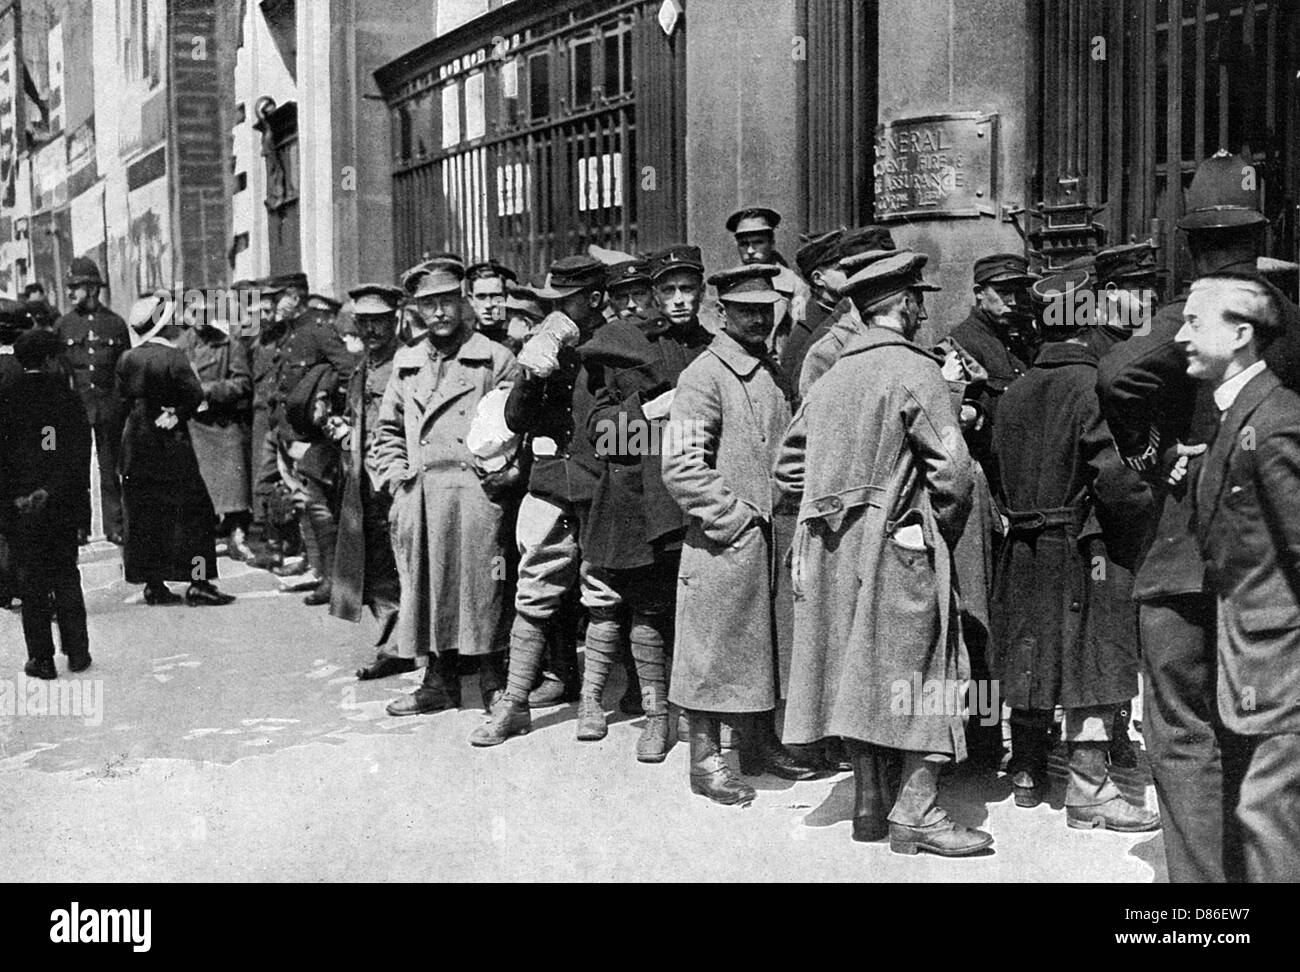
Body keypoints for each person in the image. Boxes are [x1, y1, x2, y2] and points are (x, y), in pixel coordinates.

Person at [1097, 150, 1300, 883]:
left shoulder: (1186, 320)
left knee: (1182, 734)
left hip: (1182, 557)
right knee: (1252, 726)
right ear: (1262, 233)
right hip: (1264, 572)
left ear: (1190, 244)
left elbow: (1117, 375)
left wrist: (1153, 454)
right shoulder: (1287, 323)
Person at [776, 250, 993, 856]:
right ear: (902, 305)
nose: (923, 309)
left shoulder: (833, 375)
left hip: (837, 553)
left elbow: (787, 466)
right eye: (918, 298)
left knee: (862, 673)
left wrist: (835, 504)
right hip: (900, 546)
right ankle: (917, 813)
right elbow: (953, 472)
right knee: (931, 671)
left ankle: (871, 811)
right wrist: (931, 527)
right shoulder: (914, 370)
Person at [989, 269, 1160, 832]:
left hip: (1024, 542)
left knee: (1030, 649)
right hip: (1084, 541)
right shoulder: (1093, 388)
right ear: (1086, 324)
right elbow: (1113, 480)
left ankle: (1029, 775)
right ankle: (1089, 789)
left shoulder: (1013, 392)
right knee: (1093, 653)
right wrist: (1149, 505)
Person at [662, 263, 826, 806]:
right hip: (725, 541)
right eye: (745, 310)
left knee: (765, 649)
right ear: (720, 313)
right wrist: (736, 521)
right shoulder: (704, 375)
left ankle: (759, 746)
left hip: (773, 537)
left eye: (765, 309)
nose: (757, 318)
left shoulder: (770, 369)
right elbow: (682, 466)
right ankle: (705, 759)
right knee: (714, 653)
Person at [1179, 272, 1300, 882]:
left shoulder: (1275, 420)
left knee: (1265, 812)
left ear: (1243, 335)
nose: (1180, 336)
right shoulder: (1238, 415)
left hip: (1281, 658)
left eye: (1195, 323)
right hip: (1251, 654)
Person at [573, 248, 712, 760]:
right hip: (630, 500)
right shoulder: (612, 350)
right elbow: (601, 435)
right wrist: (652, 410)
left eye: (686, 289)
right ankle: (628, 710)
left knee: (669, 609)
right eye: (667, 291)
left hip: (685, 496)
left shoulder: (707, 348)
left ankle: (673, 713)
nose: (676, 300)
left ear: (701, 292)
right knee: (625, 604)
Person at [469, 255, 611, 745]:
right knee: (532, 589)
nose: (555, 311)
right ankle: (513, 704)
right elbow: (514, 420)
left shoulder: (617, 346)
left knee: (601, 591)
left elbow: (632, 429)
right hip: (549, 483)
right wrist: (531, 373)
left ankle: (591, 700)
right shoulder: (545, 348)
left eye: (564, 302)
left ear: (593, 300)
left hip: (600, 486)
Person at [371, 264, 520, 715]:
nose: (440, 312)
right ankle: (439, 680)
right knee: (427, 585)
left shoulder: (495, 358)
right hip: (421, 491)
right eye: (429, 304)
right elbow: (389, 428)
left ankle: (495, 680)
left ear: (464, 302)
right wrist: (396, 478)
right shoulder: (407, 361)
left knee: (483, 586)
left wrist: (505, 475)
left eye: (448, 301)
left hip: (474, 488)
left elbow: (517, 427)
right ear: (416, 310)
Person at [117, 292, 234, 607]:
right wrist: (177, 413)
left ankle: (154, 584)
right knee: (194, 514)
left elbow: (121, 399)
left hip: (135, 443)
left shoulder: (127, 358)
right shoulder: (174, 358)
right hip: (169, 444)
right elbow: (194, 395)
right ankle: (199, 582)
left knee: (145, 515)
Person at [330, 284, 414, 681]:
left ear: (395, 319)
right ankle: (394, 642)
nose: (372, 330)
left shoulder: (405, 362)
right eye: (364, 323)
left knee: (401, 565)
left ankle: (402, 646)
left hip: (394, 478)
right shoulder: (364, 365)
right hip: (364, 479)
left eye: (379, 322)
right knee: (377, 564)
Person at [0, 328, 93, 678]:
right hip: (60, 502)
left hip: (21, 507)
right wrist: (58, 493)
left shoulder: (5, 398)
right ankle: (78, 650)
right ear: (52, 359)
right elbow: (77, 455)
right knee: (67, 573)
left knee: (31, 580)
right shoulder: (66, 398)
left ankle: (42, 658)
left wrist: (13, 498)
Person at [265, 272, 357, 600]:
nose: (271, 306)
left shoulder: (318, 329)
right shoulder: (290, 333)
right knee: (306, 506)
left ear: (294, 297)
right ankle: (320, 572)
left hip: (315, 436)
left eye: (277, 299)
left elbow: (348, 370)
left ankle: (331, 580)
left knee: (318, 507)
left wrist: (327, 401)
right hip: (291, 432)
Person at [54, 257, 130, 544]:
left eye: (76, 287)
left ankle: (116, 525)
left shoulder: (115, 324)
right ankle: (78, 527)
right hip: (76, 408)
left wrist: (122, 406)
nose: (70, 292)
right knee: (75, 469)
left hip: (109, 407)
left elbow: (124, 370)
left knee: (111, 469)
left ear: (93, 288)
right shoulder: (64, 326)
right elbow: (60, 372)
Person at [177, 313, 254, 561]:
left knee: (234, 482)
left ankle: (237, 534)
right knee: (200, 486)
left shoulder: (230, 344)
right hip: (195, 424)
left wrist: (210, 391)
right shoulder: (181, 345)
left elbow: (243, 382)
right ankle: (204, 538)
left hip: (223, 420)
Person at [724, 206, 809, 358]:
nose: (750, 251)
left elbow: (800, 335)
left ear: (772, 243)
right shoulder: (729, 284)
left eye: (758, 242)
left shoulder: (795, 287)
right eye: (744, 244)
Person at [466, 259, 518, 348]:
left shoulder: (518, 337)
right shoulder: (462, 338)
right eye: (481, 297)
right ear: (471, 300)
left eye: (495, 296)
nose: (488, 305)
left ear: (506, 297)